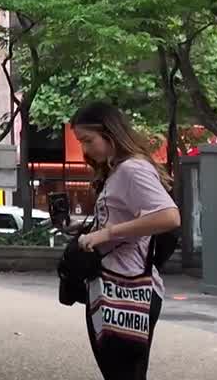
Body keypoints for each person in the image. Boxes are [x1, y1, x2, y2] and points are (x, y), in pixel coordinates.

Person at [70, 102, 180, 380]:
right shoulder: (117, 171)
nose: (84, 149)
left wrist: (105, 233)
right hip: (111, 285)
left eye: (88, 140)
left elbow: (169, 216)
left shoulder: (133, 169)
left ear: (110, 134)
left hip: (129, 289)